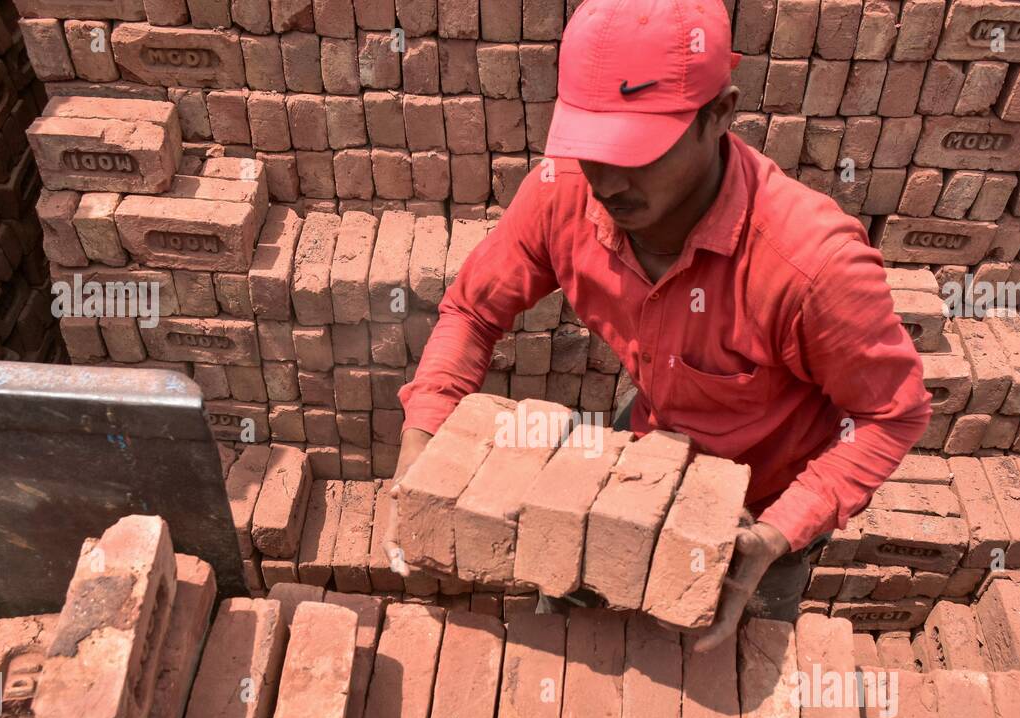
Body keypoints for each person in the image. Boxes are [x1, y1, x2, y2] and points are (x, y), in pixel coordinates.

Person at [384, 0, 931, 651]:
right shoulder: (564, 190)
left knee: (722, 665)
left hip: (761, 503)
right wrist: (424, 432)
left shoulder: (812, 266)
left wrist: (782, 530)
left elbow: (890, 417)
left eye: (636, 150)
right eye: (589, 146)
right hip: (642, 455)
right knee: (572, 635)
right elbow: (473, 312)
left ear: (719, 114)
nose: (607, 179)